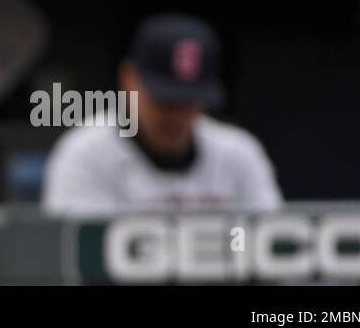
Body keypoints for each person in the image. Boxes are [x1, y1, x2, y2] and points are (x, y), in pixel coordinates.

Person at [43, 13, 283, 214]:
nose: (176, 114)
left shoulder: (238, 154)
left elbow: (274, 251)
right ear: (129, 78)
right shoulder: (85, 154)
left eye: (187, 101)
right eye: (165, 101)